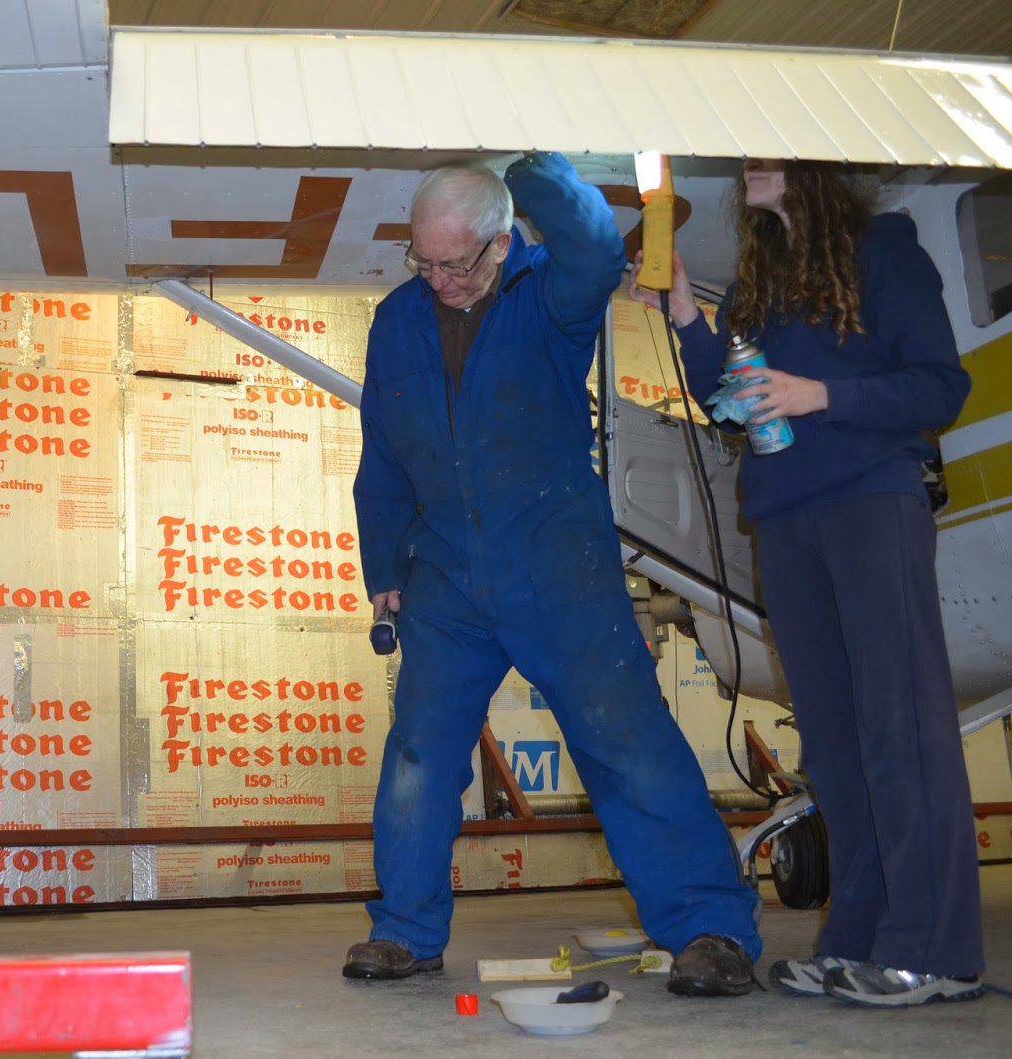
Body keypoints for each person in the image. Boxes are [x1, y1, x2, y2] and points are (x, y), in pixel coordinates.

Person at [348, 151, 763, 996]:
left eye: (455, 263)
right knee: (420, 757)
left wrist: (528, 165)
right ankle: (405, 930)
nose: (438, 281)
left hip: (555, 560)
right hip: (447, 573)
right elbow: (383, 449)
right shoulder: (396, 321)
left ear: (501, 244)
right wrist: (383, 559)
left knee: (628, 743)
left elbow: (593, 240)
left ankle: (710, 926)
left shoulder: (553, 298)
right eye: (423, 263)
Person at [629, 157, 981, 1007]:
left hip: (869, 505)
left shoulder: (883, 249)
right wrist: (684, 309)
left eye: (770, 151)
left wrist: (820, 393)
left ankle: (931, 951)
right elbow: (738, 401)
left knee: (901, 730)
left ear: (817, 167)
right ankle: (856, 937)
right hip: (785, 522)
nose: (751, 162)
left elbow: (941, 386)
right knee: (833, 740)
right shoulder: (766, 285)